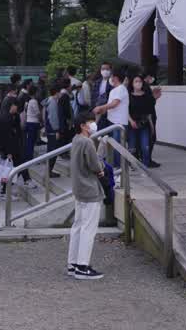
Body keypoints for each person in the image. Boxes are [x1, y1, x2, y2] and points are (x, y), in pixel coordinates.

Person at [67, 112, 105, 280]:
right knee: (88, 229)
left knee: (77, 226)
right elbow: (95, 165)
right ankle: (83, 266)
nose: (93, 124)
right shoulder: (87, 142)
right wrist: (101, 167)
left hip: (78, 189)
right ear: (83, 125)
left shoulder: (76, 140)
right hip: (90, 189)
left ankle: (73, 263)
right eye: (90, 122)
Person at [94, 67, 129, 166]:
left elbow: (114, 104)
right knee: (111, 146)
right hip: (112, 122)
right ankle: (114, 166)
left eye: (112, 76)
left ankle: (118, 167)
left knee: (117, 147)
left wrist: (101, 107)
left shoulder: (121, 89)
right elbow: (110, 106)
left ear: (116, 77)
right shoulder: (114, 90)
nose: (110, 78)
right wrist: (100, 110)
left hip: (119, 123)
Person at [0, 99, 22, 197]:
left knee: (13, 168)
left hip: (13, 147)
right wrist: (8, 151)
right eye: (16, 106)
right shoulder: (5, 118)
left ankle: (6, 189)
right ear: (11, 106)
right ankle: (4, 189)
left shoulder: (14, 116)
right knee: (7, 169)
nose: (17, 108)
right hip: (8, 149)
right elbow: (4, 136)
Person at [127, 74, 155, 166]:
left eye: (140, 81)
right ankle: (133, 165)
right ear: (132, 83)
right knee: (132, 147)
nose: (138, 83)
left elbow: (149, 112)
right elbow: (125, 111)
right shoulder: (128, 96)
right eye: (136, 81)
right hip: (132, 124)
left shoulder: (147, 96)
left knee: (145, 147)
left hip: (144, 125)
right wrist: (131, 121)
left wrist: (152, 127)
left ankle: (145, 166)